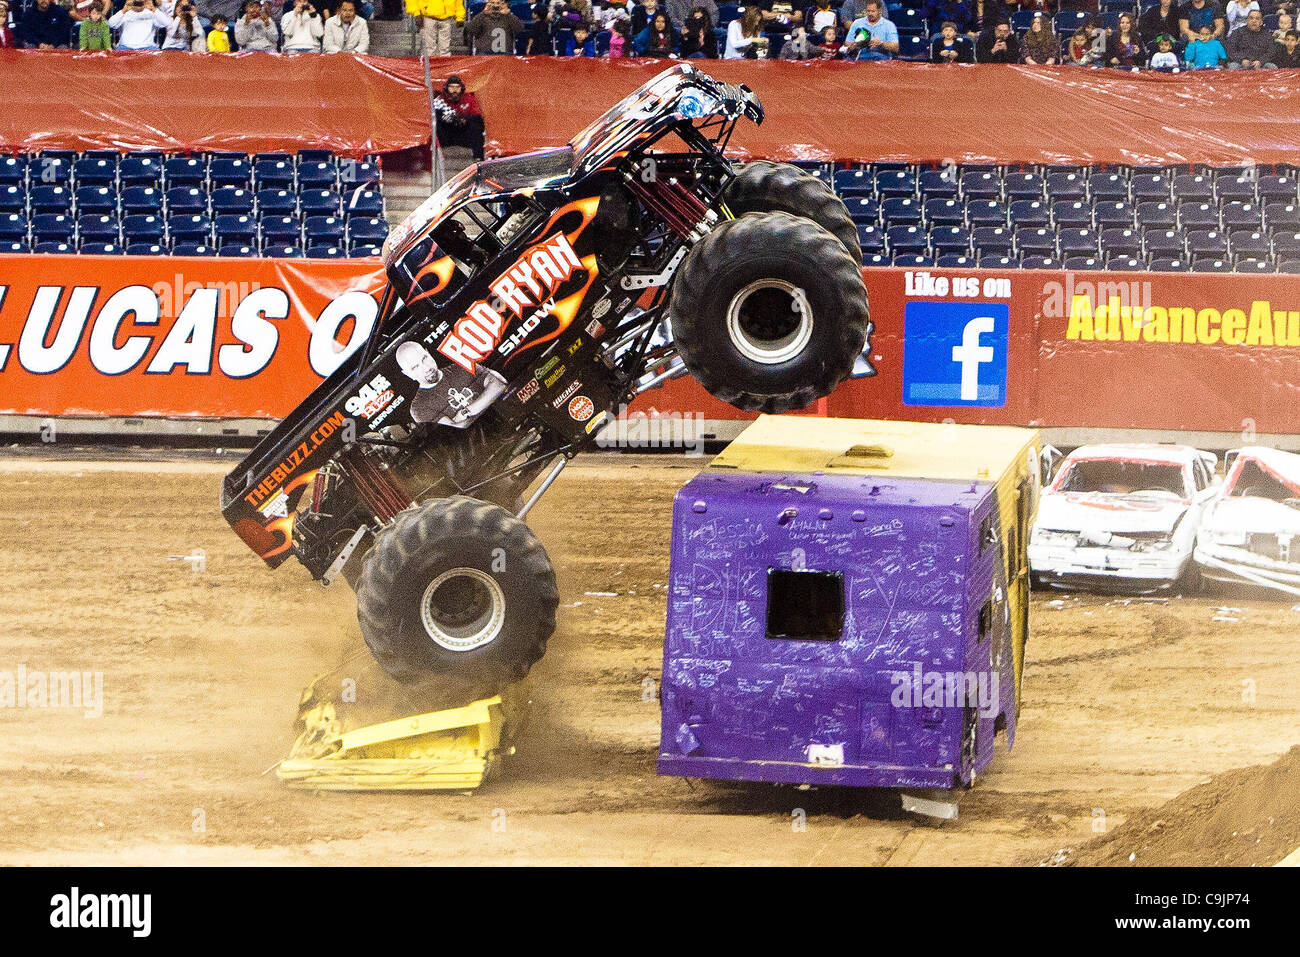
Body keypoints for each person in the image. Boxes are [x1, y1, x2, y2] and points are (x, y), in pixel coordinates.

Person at [435, 75, 485, 161]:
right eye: (452, 87)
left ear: (461, 88)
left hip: (465, 133)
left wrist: (464, 119)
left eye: (457, 87)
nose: (454, 90)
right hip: (447, 135)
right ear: (447, 88)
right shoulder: (439, 102)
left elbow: (477, 117)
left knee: (476, 125)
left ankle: (478, 158)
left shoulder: (469, 99)